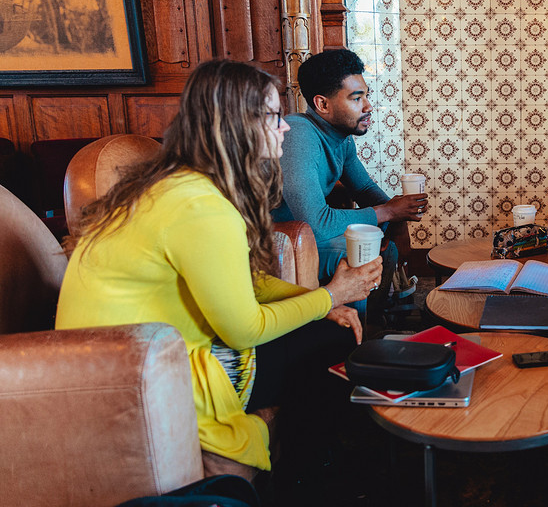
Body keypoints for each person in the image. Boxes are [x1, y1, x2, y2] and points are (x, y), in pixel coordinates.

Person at [55, 60, 383, 482]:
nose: (284, 128)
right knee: (328, 341)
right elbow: (243, 330)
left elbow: (244, 283)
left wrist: (316, 302)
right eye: (273, 117)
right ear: (236, 127)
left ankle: (317, 457)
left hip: (135, 354)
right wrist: (331, 296)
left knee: (323, 329)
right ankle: (309, 476)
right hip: (145, 371)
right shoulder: (200, 205)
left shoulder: (181, 185)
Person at [272, 48, 427, 329]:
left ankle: (374, 328)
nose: (368, 106)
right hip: (278, 241)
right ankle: (351, 343)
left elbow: (364, 188)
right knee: (358, 253)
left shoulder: (342, 139)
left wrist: (398, 218)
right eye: (357, 98)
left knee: (383, 246)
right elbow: (315, 223)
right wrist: (387, 212)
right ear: (323, 104)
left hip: (307, 236)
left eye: (366, 95)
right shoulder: (299, 134)